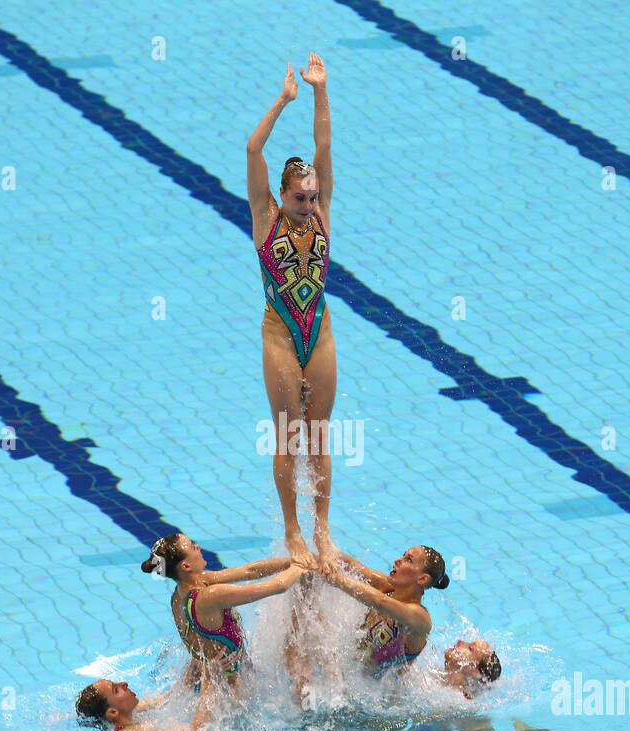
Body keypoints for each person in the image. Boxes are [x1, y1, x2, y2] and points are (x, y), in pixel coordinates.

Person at [246, 54, 337, 566]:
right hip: (280, 334)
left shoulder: (322, 211)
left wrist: (320, 90)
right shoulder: (265, 217)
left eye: (312, 196)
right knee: (287, 434)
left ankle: (322, 526)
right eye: (300, 197)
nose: (308, 204)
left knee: (319, 433)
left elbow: (324, 146)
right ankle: (292, 530)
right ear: (281, 196)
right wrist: (284, 100)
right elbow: (254, 148)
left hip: (319, 332)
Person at [143, 533, 306, 691]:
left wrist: (292, 562)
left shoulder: (179, 595)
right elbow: (279, 586)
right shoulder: (209, 597)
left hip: (207, 685)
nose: (199, 547)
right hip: (233, 695)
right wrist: (302, 565)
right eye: (193, 547)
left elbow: (252, 570)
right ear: (186, 566)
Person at [318, 546, 449, 676]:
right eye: (403, 555)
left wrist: (333, 578)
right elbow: (351, 565)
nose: (398, 560)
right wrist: (321, 556)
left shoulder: (419, 618)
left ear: (422, 579)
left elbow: (379, 602)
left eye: (408, 560)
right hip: (352, 671)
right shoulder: (387, 588)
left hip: (385, 693)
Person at [74, 677, 213, 731]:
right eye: (116, 690)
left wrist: (199, 658)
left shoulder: (126, 714)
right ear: (113, 713)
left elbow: (172, 695)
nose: (124, 683)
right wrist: (210, 678)